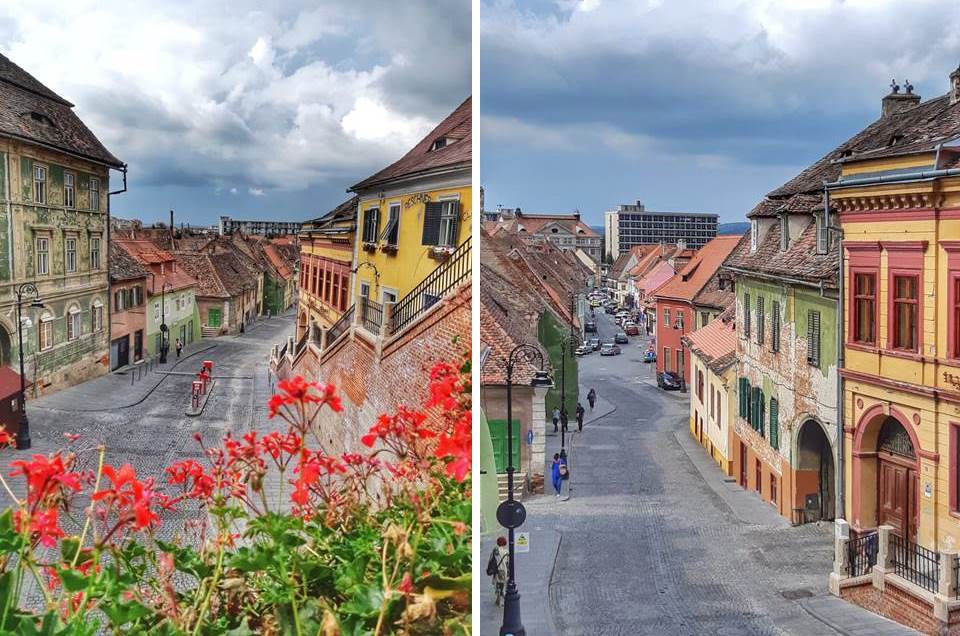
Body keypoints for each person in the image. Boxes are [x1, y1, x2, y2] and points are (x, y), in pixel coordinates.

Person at [486, 536, 509, 606]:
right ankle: (501, 598)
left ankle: (498, 599)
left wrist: (489, 568)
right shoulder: (506, 552)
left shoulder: (495, 551)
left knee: (497, 584)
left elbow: (490, 560)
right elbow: (508, 562)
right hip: (504, 570)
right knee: (503, 584)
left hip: (497, 570)